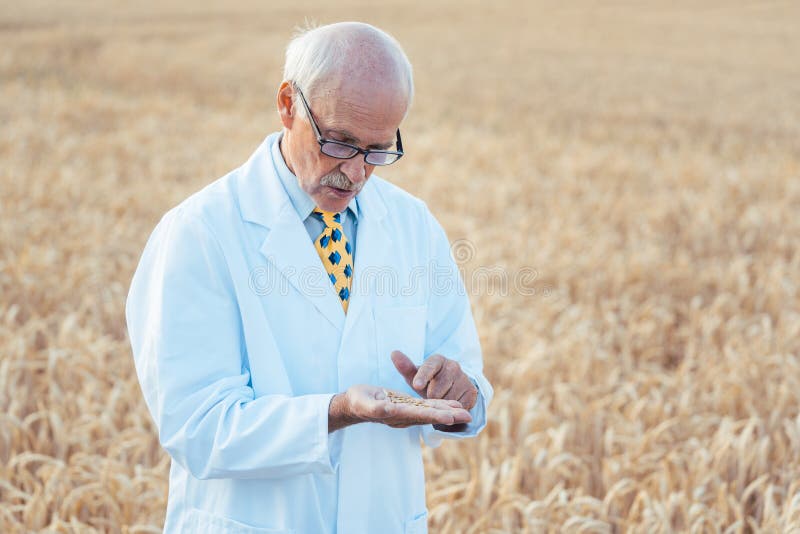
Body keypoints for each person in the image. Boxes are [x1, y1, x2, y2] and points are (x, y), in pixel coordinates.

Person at [126, 21, 492, 534]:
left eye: (379, 150)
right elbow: (198, 428)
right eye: (340, 143)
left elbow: (470, 387)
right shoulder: (199, 233)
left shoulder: (414, 225)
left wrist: (462, 391)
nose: (358, 172)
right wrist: (338, 410)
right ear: (287, 104)